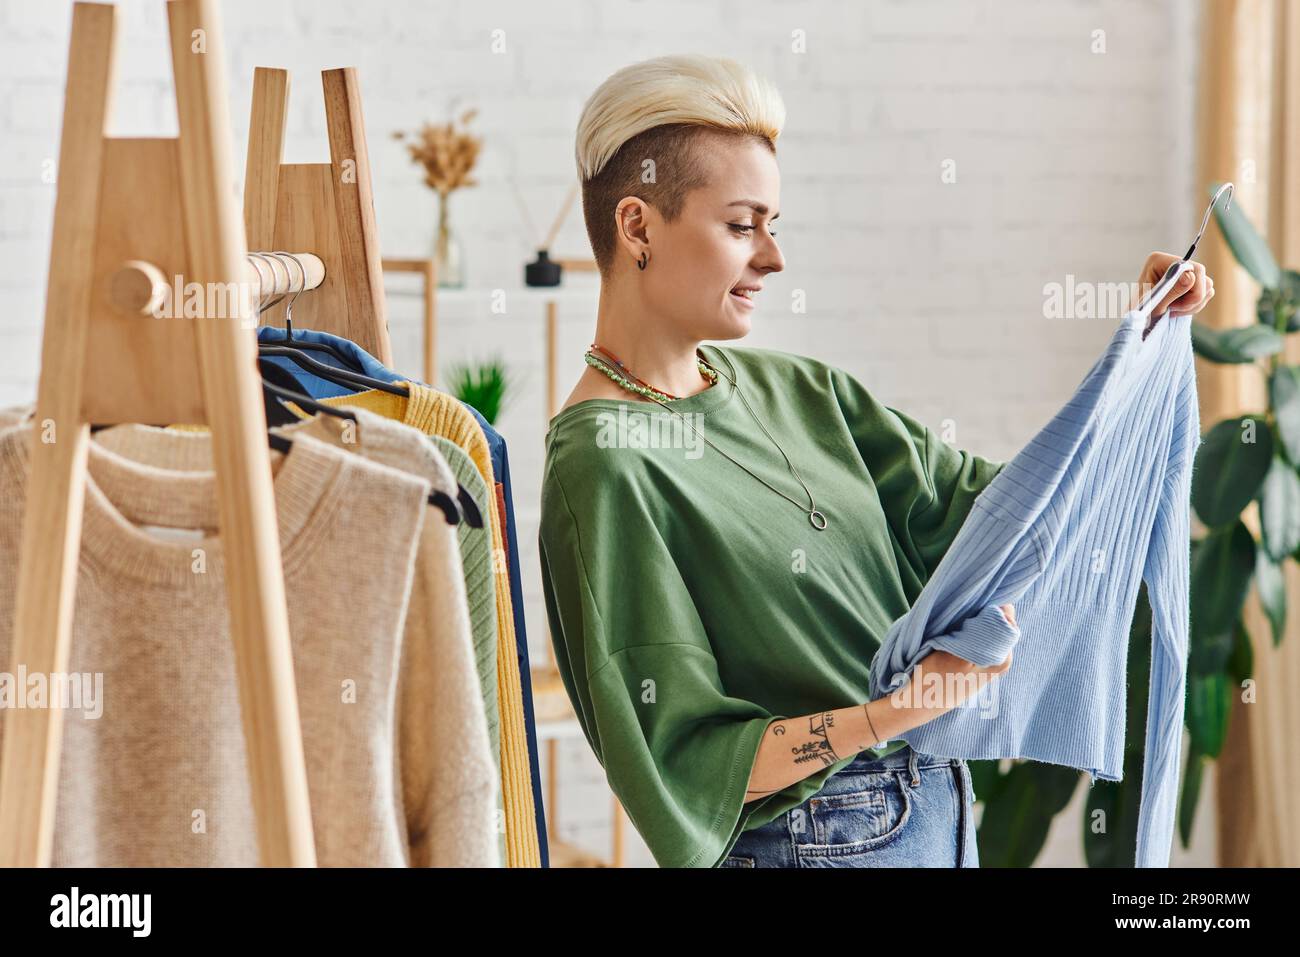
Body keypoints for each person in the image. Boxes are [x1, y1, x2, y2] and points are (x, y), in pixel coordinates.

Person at [537, 53, 1216, 869]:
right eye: (742, 224)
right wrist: (903, 708)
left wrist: (1130, 354)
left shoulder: (804, 390)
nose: (773, 257)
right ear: (639, 226)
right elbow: (685, 759)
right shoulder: (603, 465)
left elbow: (996, 514)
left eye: (774, 225)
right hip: (813, 841)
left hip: (940, 804)